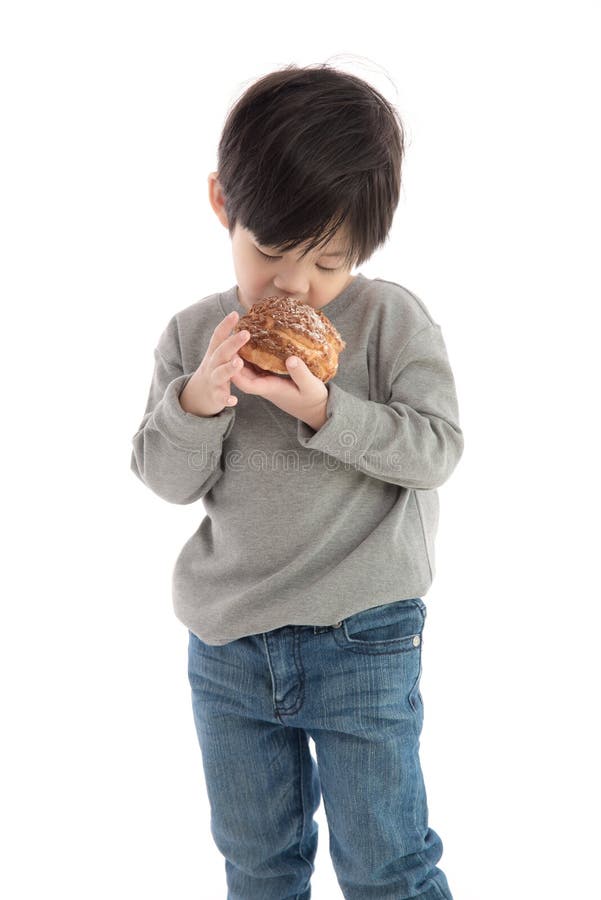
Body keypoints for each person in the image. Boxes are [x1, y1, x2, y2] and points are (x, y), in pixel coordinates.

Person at [130, 63, 464, 900]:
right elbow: (165, 480)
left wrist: (326, 412)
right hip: (229, 650)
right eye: (269, 252)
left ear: (366, 245)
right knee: (258, 864)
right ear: (222, 204)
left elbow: (436, 449)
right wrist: (197, 402)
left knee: (386, 864)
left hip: (363, 638)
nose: (294, 285)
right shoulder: (192, 337)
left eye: (328, 261)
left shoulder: (389, 321)